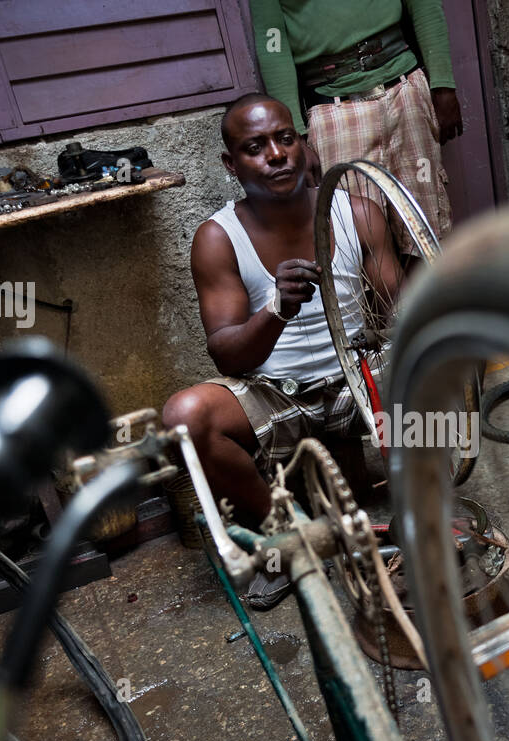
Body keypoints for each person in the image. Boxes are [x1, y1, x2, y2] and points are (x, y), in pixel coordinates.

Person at [163, 94, 402, 609]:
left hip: (357, 381)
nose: (276, 154)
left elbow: (398, 316)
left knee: (434, 361)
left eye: (285, 138)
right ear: (232, 164)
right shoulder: (217, 238)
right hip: (280, 395)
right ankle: (285, 537)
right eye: (255, 147)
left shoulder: (356, 212)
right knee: (184, 419)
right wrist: (276, 310)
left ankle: (417, 505)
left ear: (302, 144)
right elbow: (228, 356)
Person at [249, 0, 462, 243]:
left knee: (426, 222)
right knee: (357, 234)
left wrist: (443, 85)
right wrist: (294, 137)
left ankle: (432, 282)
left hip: (406, 91)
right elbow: (273, 46)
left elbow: (424, 5)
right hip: (333, 111)